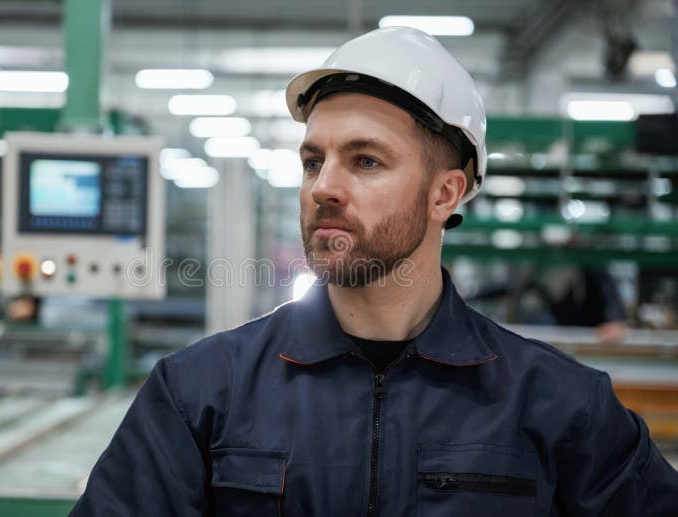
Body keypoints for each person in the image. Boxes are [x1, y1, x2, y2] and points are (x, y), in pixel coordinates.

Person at [70, 27, 678, 516]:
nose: (324, 187)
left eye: (365, 160)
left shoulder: (560, 406)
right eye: (314, 161)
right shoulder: (199, 395)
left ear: (445, 195)